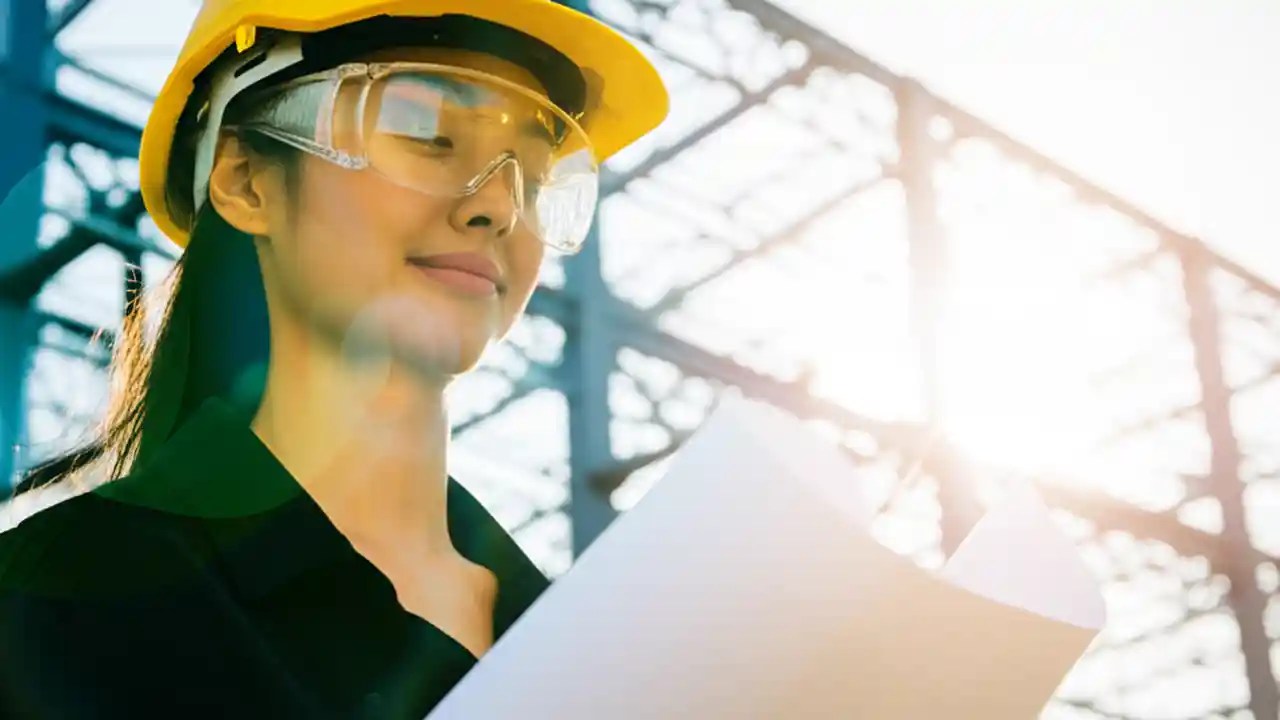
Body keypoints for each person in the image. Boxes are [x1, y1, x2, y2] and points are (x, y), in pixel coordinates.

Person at [0, 1, 667, 717]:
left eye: (536, 179)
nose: (500, 207)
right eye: (429, 133)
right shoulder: (57, 596)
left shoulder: (594, 655)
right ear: (246, 180)